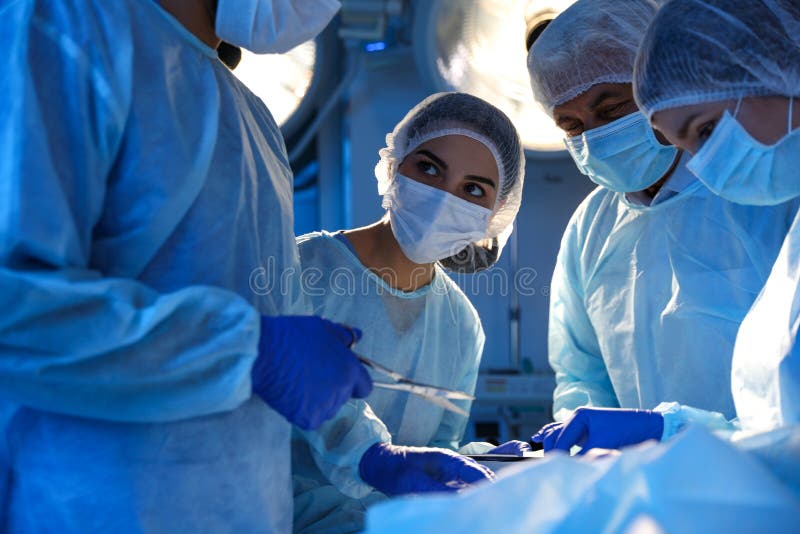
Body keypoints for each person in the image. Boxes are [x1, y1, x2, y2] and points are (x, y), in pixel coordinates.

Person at [0, 0, 379, 530]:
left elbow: (283, 324)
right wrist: (245, 350)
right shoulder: (66, 23)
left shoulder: (256, 122)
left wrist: (369, 453)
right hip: (95, 509)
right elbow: (14, 307)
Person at [524, 0, 800, 454]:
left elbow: (780, 414)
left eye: (611, 110)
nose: (594, 136)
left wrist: (672, 432)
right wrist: (591, 447)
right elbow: (581, 376)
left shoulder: (765, 184)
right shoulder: (589, 229)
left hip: (760, 476)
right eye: (571, 125)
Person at [292, 92, 528, 533]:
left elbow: (439, 452)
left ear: (494, 216)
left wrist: (492, 467)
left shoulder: (461, 325)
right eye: (429, 168)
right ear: (394, 164)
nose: (443, 197)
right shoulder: (303, 270)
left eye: (472, 189)